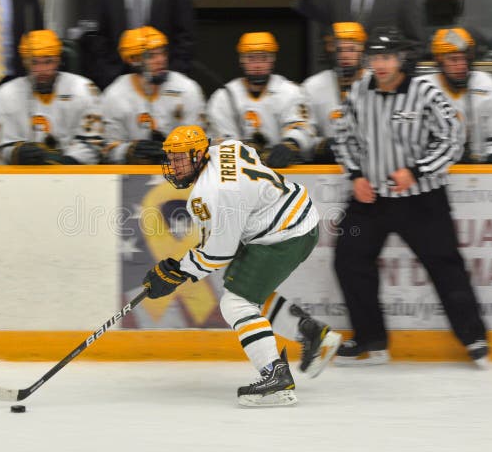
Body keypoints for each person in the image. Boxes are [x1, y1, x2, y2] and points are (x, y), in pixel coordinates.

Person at [142, 124, 342, 407]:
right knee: (243, 288)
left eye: (179, 159)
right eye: (171, 159)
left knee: (235, 303)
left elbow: (218, 254)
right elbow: (249, 156)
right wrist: (182, 267)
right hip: (295, 216)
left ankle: (276, 377)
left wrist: (178, 270)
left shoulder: (210, 194)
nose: (173, 167)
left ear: (198, 155)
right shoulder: (226, 148)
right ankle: (311, 333)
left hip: (285, 233)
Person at [332, 26, 489, 368]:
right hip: (369, 201)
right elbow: (343, 137)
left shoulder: (425, 93)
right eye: (375, 57)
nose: (381, 64)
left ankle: (474, 337)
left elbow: (451, 138)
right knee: (348, 257)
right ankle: (371, 340)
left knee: (445, 264)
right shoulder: (358, 92)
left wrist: (417, 170)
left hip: (422, 200)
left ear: (402, 58)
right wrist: (355, 174)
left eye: (387, 56)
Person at [92, 0, 195, 89]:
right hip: (119, 77)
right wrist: (108, 74)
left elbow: (185, 34)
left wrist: (176, 73)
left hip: (164, 75)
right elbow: (99, 34)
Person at [205, 32, 316, 168]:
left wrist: (291, 144)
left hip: (283, 170)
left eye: (263, 58)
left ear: (273, 59)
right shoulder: (224, 97)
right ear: (242, 60)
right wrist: (242, 149)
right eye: (251, 58)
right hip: (238, 172)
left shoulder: (290, 92)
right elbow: (218, 139)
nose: (257, 65)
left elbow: (303, 127)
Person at [0, 30, 104, 165]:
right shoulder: (5, 94)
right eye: (34, 62)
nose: (42, 70)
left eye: (48, 62)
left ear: (58, 61)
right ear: (25, 63)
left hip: (73, 177)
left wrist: (65, 162)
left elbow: (94, 143)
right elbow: (0, 148)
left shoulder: (85, 89)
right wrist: (16, 153)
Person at [101, 26, 205, 164]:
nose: (161, 60)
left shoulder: (187, 89)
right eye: (151, 56)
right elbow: (108, 149)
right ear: (133, 60)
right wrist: (129, 151)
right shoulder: (115, 95)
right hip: (131, 177)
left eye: (163, 53)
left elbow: (200, 142)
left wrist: (175, 152)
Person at [417, 27, 492, 163]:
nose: (462, 66)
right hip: (435, 173)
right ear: (439, 60)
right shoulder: (421, 89)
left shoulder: (485, 83)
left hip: (480, 171)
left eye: (465, 59)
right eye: (453, 60)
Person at [302, 22, 369, 163]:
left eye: (351, 49)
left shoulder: (376, 84)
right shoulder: (312, 86)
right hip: (326, 166)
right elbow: (305, 130)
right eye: (339, 50)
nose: (345, 55)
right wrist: (322, 145)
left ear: (362, 51)